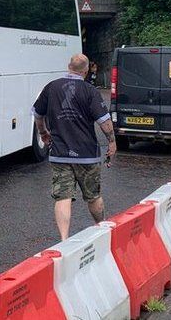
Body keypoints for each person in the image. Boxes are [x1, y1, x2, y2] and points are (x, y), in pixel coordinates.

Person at [33, 53, 116, 241]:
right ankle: (101, 228)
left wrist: (43, 132)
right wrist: (111, 142)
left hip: (60, 153)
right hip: (87, 155)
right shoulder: (90, 90)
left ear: (69, 67)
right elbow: (104, 121)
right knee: (93, 196)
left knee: (63, 197)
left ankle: (64, 239)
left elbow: (38, 114)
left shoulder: (51, 87)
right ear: (85, 71)